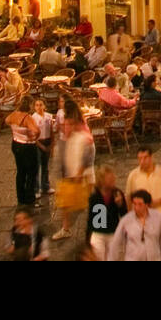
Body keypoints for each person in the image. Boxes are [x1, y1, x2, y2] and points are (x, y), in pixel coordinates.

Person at [52, 100, 94, 241]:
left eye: (69, 125)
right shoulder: (65, 141)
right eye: (64, 125)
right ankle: (66, 228)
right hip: (69, 178)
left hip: (82, 178)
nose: (66, 128)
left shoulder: (84, 139)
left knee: (90, 202)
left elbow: (88, 159)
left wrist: (80, 173)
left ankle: (96, 228)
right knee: (65, 205)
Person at [107, 189, 161, 261]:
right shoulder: (126, 220)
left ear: (147, 205)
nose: (136, 207)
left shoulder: (157, 218)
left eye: (140, 204)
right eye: (134, 204)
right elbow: (116, 243)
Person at [125, 146, 161, 222]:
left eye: (145, 158)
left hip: (160, 219)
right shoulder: (133, 175)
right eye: (140, 158)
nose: (142, 161)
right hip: (141, 221)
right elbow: (129, 197)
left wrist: (157, 202)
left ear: (151, 157)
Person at [86, 167, 127, 259]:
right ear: (102, 181)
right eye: (110, 179)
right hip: (98, 233)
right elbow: (90, 219)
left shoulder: (117, 193)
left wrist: (120, 205)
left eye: (113, 178)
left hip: (113, 233)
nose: (113, 180)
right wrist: (88, 240)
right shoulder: (95, 196)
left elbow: (124, 215)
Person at [6, 95, 41, 205]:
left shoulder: (13, 115)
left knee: (20, 172)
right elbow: (36, 130)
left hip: (16, 144)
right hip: (27, 146)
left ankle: (20, 198)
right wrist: (34, 137)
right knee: (31, 172)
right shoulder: (27, 118)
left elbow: (7, 121)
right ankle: (30, 198)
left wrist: (15, 130)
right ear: (30, 105)